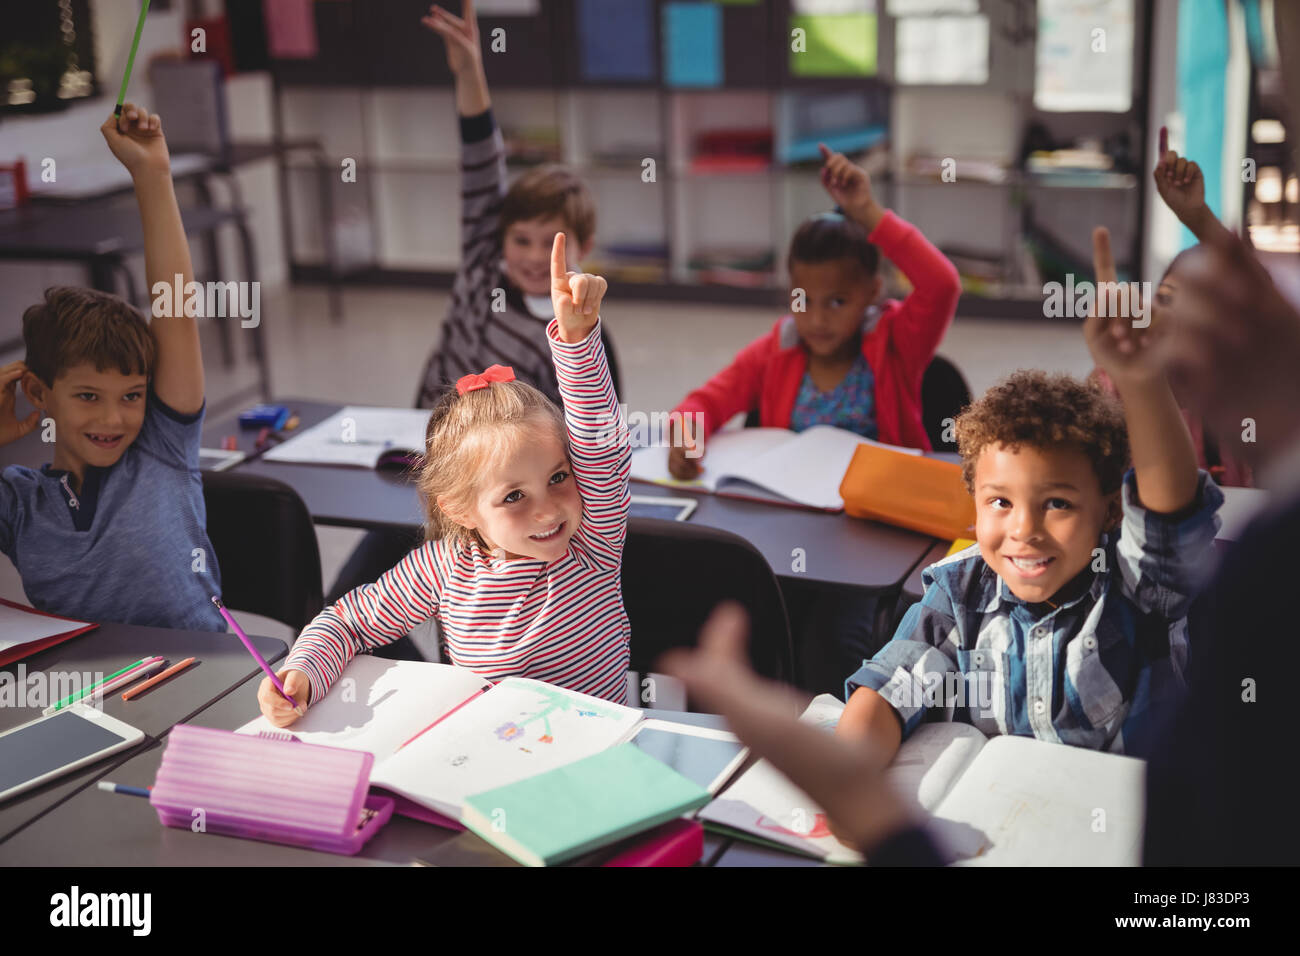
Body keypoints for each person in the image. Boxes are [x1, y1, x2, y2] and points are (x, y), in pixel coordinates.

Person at [835, 226, 1223, 767]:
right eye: (1000, 502)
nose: (1024, 530)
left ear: (1111, 508)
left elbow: (1169, 515)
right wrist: (848, 775)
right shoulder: (957, 594)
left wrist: (1142, 380)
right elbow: (887, 687)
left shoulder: (1136, 587)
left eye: (1058, 503)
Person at [259, 235, 629, 724]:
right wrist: (304, 670)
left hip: (596, 764)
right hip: (484, 765)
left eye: (559, 477)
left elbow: (601, 445)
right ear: (459, 508)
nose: (548, 508)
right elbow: (348, 622)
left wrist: (578, 341)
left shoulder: (592, 544)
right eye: (514, 495)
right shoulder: (445, 566)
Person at [0, 104, 224, 632]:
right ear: (38, 391)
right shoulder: (19, 502)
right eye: (87, 396)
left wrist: (152, 172)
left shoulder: (162, 446)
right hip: (90, 698)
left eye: (131, 395)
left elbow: (174, 306)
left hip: (206, 678)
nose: (114, 418)